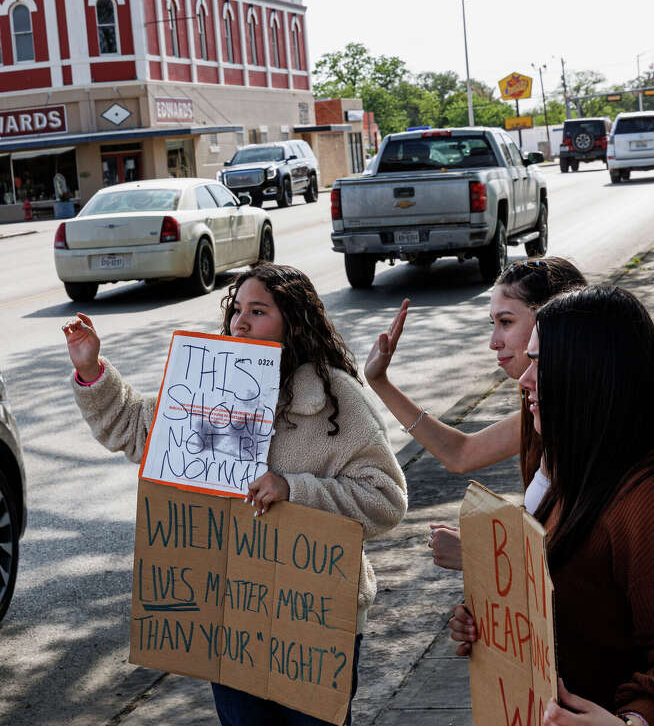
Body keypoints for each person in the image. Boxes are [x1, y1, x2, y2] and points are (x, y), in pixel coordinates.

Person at [64, 263, 408, 726]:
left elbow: (386, 499)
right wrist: (91, 370)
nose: (240, 322)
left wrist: (295, 491)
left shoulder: (339, 399)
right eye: (237, 310)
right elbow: (131, 426)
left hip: (314, 620)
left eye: (259, 311)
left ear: (294, 322)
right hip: (231, 616)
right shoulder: (207, 390)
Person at [450, 286, 654, 725]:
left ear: (591, 374)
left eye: (539, 364)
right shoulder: (589, 468)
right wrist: (497, 623)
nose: (523, 381)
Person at [363, 257, 586, 569]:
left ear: (554, 320)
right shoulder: (546, 407)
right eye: (492, 323)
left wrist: (482, 556)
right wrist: (379, 382)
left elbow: (582, 561)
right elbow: (461, 453)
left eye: (506, 323)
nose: (494, 342)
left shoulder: (591, 423)